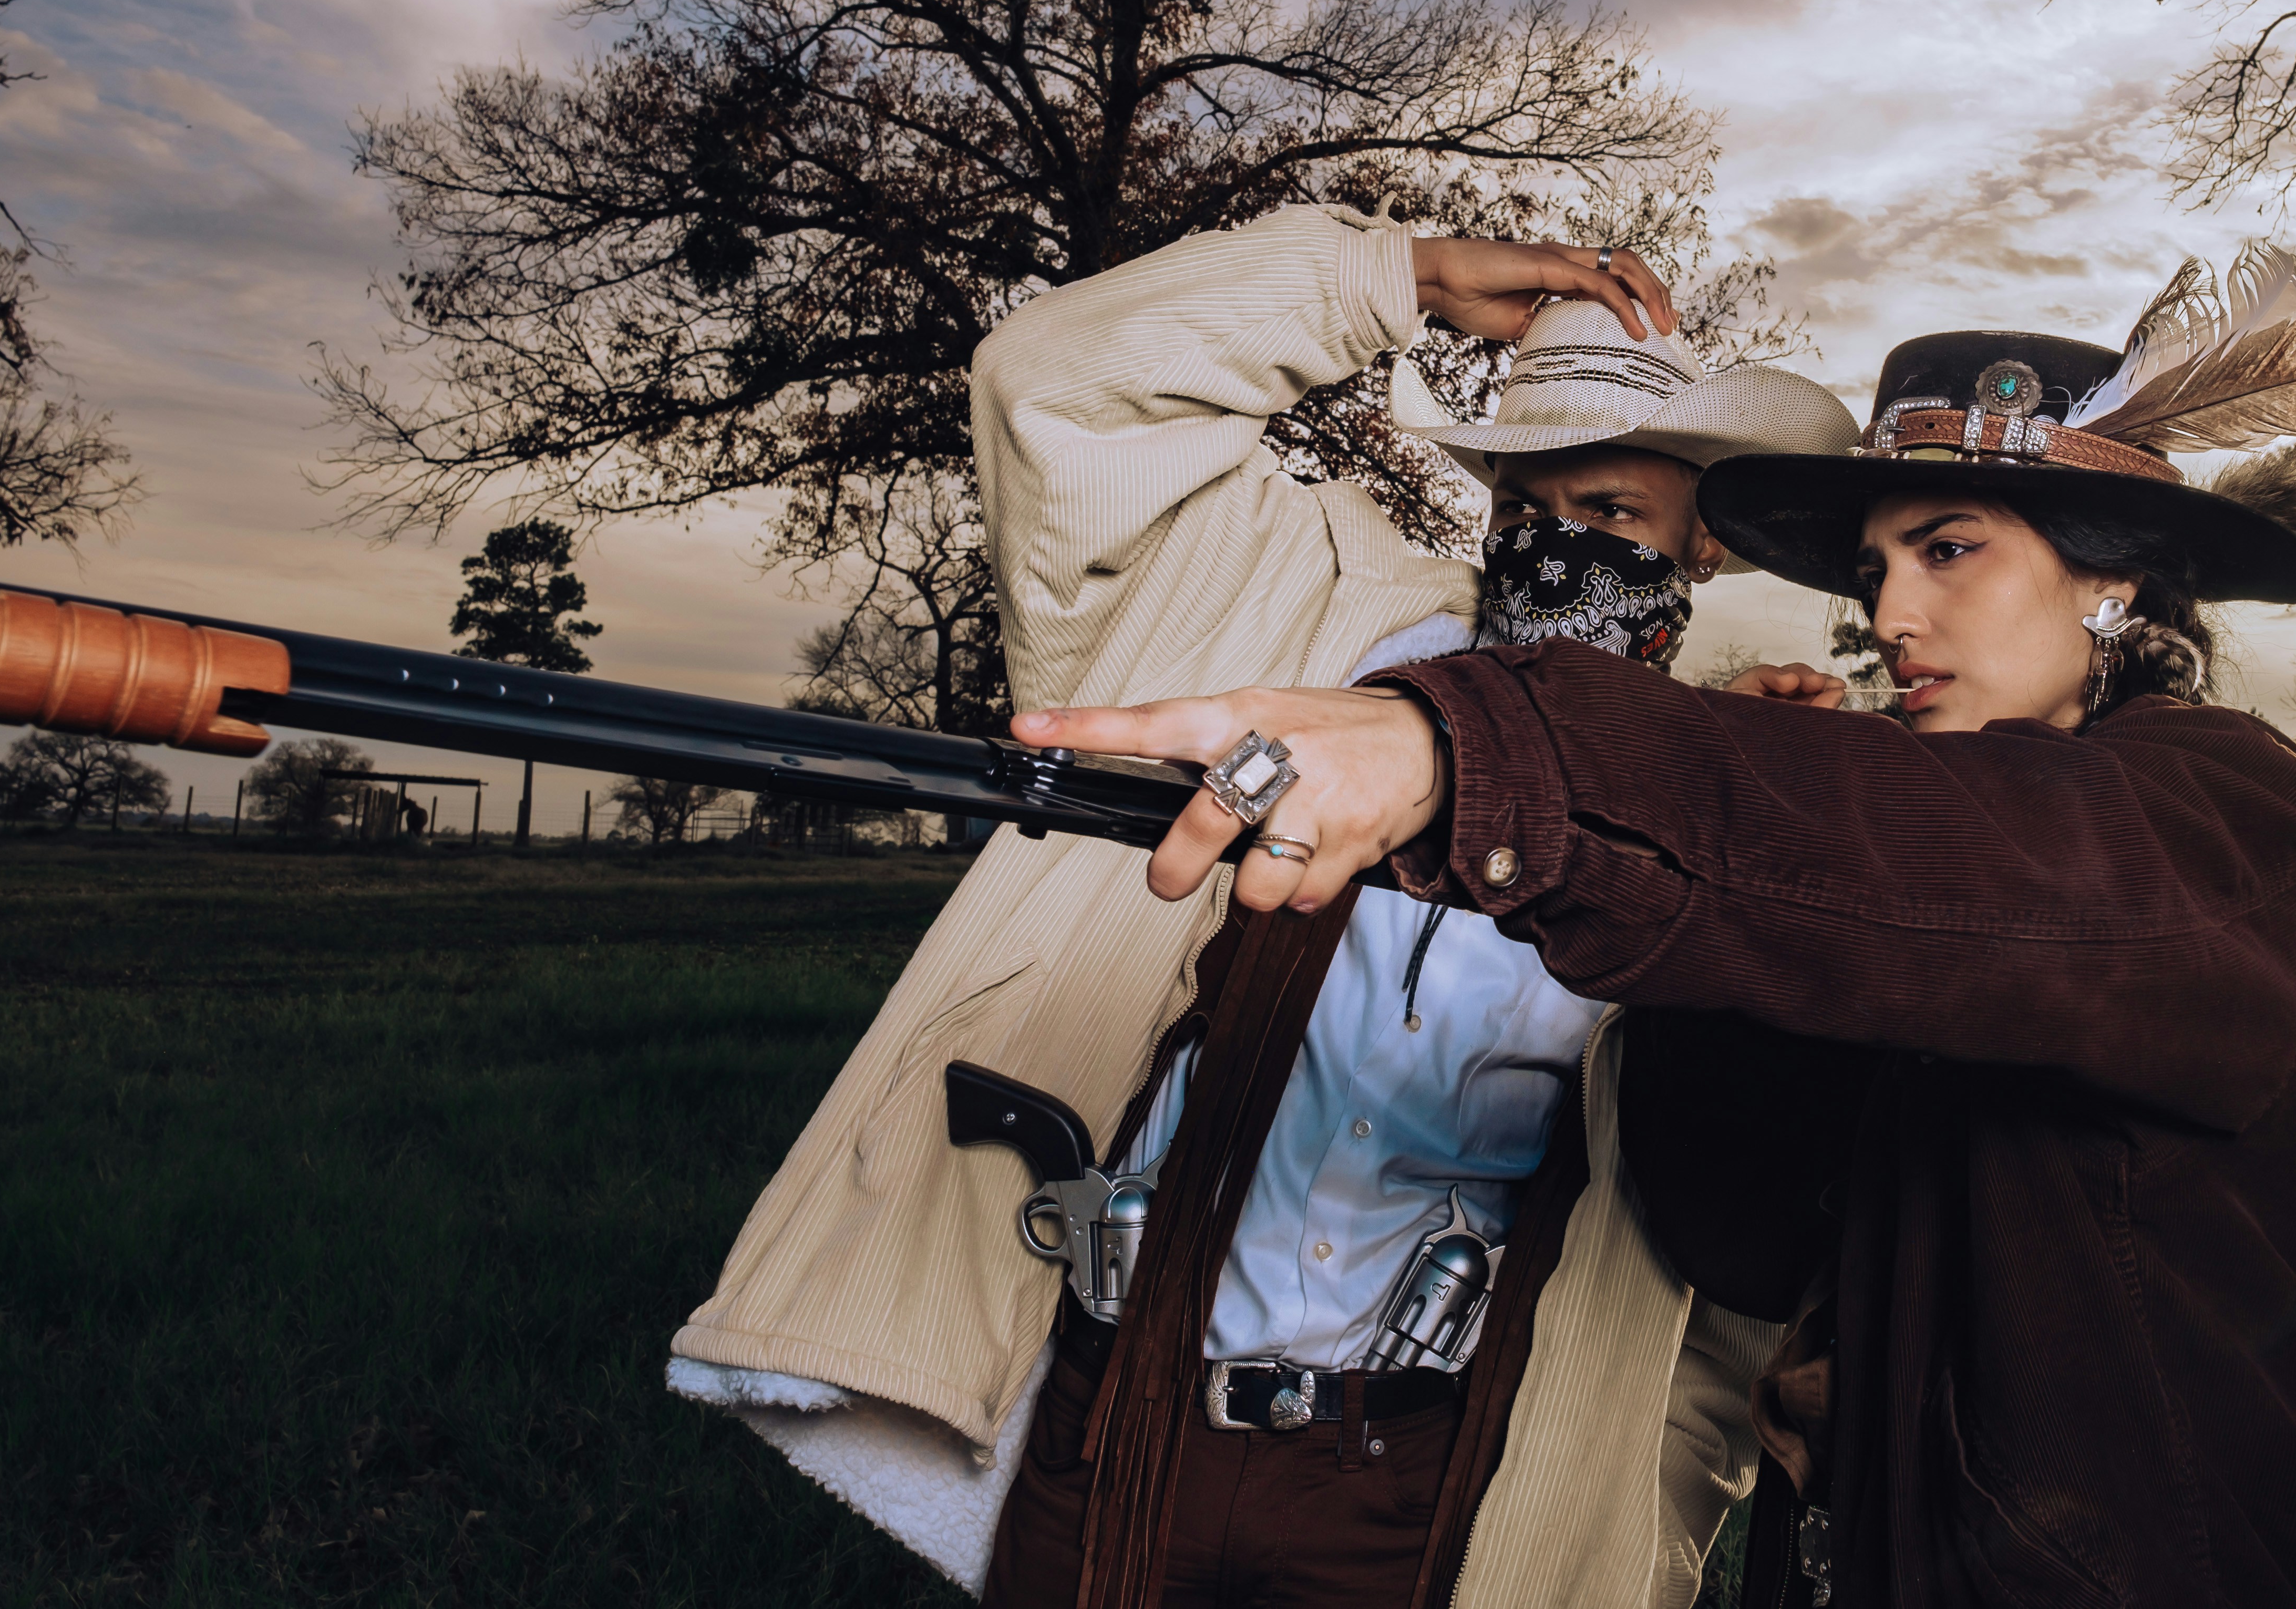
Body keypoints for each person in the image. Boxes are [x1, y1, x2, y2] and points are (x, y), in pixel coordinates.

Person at [1027, 265, 2296, 1606]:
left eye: (1947, 550)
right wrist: (1742, 928)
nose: (1889, 616)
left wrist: (1487, 758)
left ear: (2113, 577)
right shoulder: (1939, 832)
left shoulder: (2226, 809)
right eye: (1869, 574)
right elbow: (1741, 1228)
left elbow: (1991, 868)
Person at [664, 202, 1860, 1609]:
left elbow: (1729, 1259)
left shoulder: (1714, 807)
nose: (1556, 551)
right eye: (1525, 511)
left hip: (1420, 1480)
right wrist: (1389, 274)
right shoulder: (1297, 624)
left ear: (1702, 550)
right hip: (1125, 1422)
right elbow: (1053, 389)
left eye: (1609, 516)